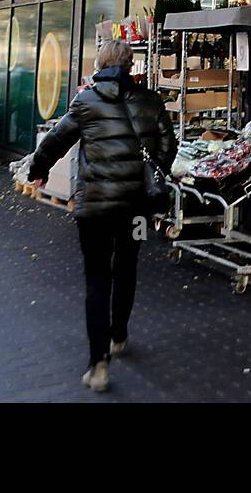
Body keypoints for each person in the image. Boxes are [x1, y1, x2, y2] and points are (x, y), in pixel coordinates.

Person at [29, 39, 177, 393]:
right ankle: (119, 337)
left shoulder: (86, 101)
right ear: (130, 65)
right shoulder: (150, 100)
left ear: (101, 64)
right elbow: (168, 146)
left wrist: (39, 169)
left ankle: (98, 365)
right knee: (127, 268)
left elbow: (56, 140)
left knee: (97, 279)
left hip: (94, 208)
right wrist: (151, 172)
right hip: (136, 208)